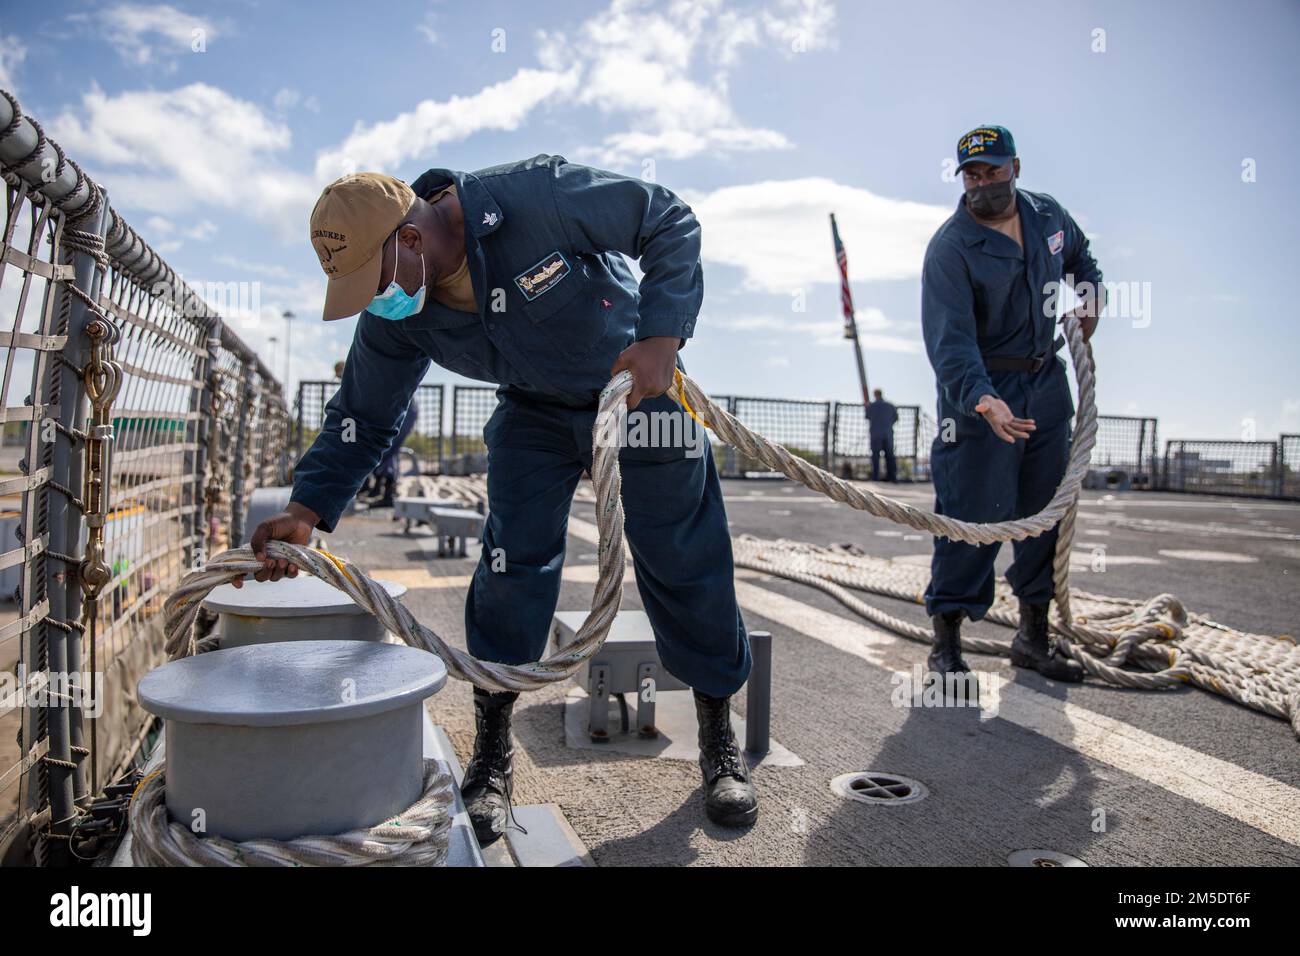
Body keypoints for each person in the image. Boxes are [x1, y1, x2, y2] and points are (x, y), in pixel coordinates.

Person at [237, 157, 757, 842]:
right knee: (511, 567)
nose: (376, 300)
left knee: (683, 555)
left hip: (640, 389)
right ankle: (492, 754)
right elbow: (362, 411)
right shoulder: (398, 313)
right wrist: (307, 508)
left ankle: (719, 740)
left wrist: (662, 336)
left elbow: (666, 217)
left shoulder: (533, 197)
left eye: (376, 281)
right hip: (533, 414)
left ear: (413, 241)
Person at [920, 125, 1104, 694]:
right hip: (980, 391)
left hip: (1045, 383)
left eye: (992, 172)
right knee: (973, 515)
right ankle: (946, 641)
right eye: (972, 176)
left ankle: (1032, 636)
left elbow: (1083, 260)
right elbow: (950, 342)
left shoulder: (1047, 218)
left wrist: (1091, 298)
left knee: (1043, 509)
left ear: (1015, 167)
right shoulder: (951, 248)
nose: (982, 185)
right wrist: (983, 400)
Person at [864, 388, 898, 482]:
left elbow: (867, 416)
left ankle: (875, 477)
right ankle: (892, 477)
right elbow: (895, 418)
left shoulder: (871, 406)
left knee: (875, 456)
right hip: (888, 433)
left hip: (875, 434)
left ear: (875, 395)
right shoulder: (890, 406)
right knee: (890, 456)